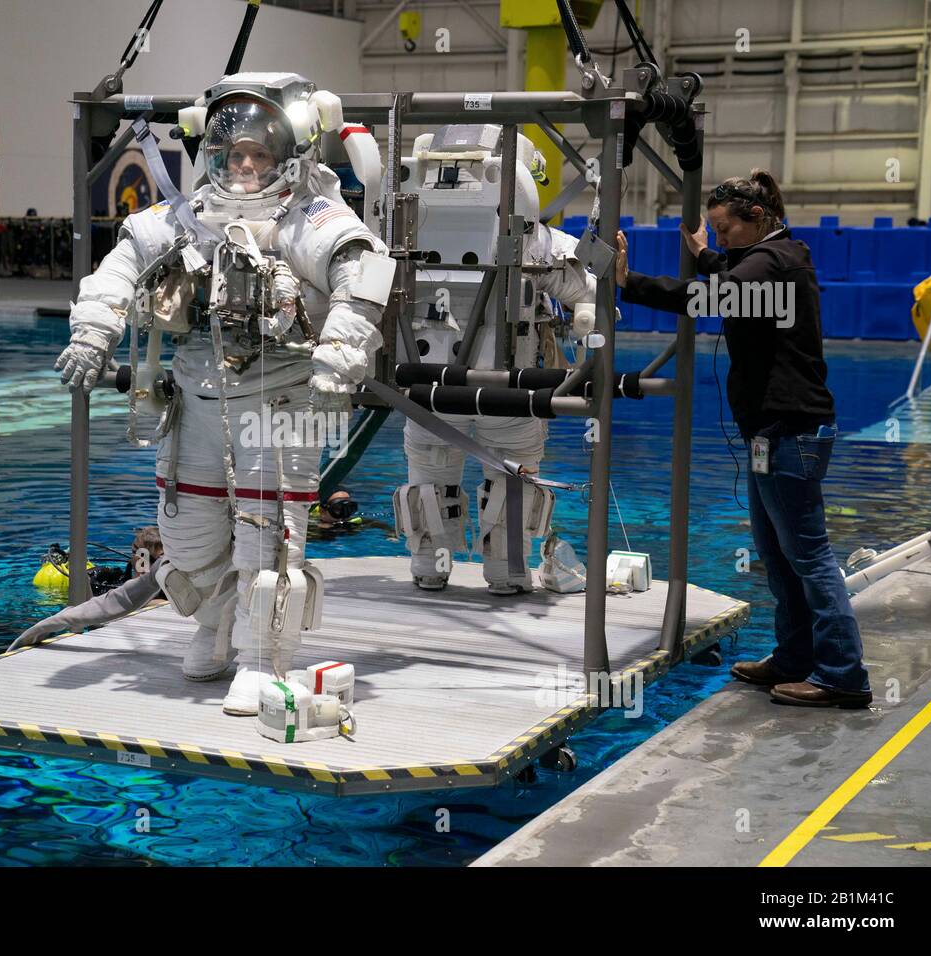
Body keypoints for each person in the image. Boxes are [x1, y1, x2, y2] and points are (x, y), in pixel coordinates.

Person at [55, 73, 394, 715]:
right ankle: (213, 628)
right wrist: (93, 331)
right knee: (185, 539)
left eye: (258, 154)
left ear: (287, 156)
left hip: (282, 399)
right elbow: (120, 267)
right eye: (234, 153)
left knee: (265, 538)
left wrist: (339, 354)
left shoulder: (309, 215)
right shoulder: (188, 215)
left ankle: (262, 660)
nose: (244, 166)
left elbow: (362, 270)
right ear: (213, 154)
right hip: (195, 400)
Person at [615, 168, 871, 708]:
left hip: (790, 433)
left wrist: (629, 282)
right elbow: (733, 274)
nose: (721, 238)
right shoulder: (775, 257)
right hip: (770, 435)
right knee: (779, 559)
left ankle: (844, 675)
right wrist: (707, 251)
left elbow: (712, 298)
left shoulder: (775, 263)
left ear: (756, 219)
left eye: (724, 228)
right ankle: (795, 657)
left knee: (811, 559)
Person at [397, 128, 596, 595]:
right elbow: (586, 289)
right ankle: (505, 573)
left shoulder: (399, 238)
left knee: (431, 473)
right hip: (508, 388)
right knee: (512, 477)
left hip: (428, 384)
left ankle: (431, 566)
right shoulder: (537, 241)